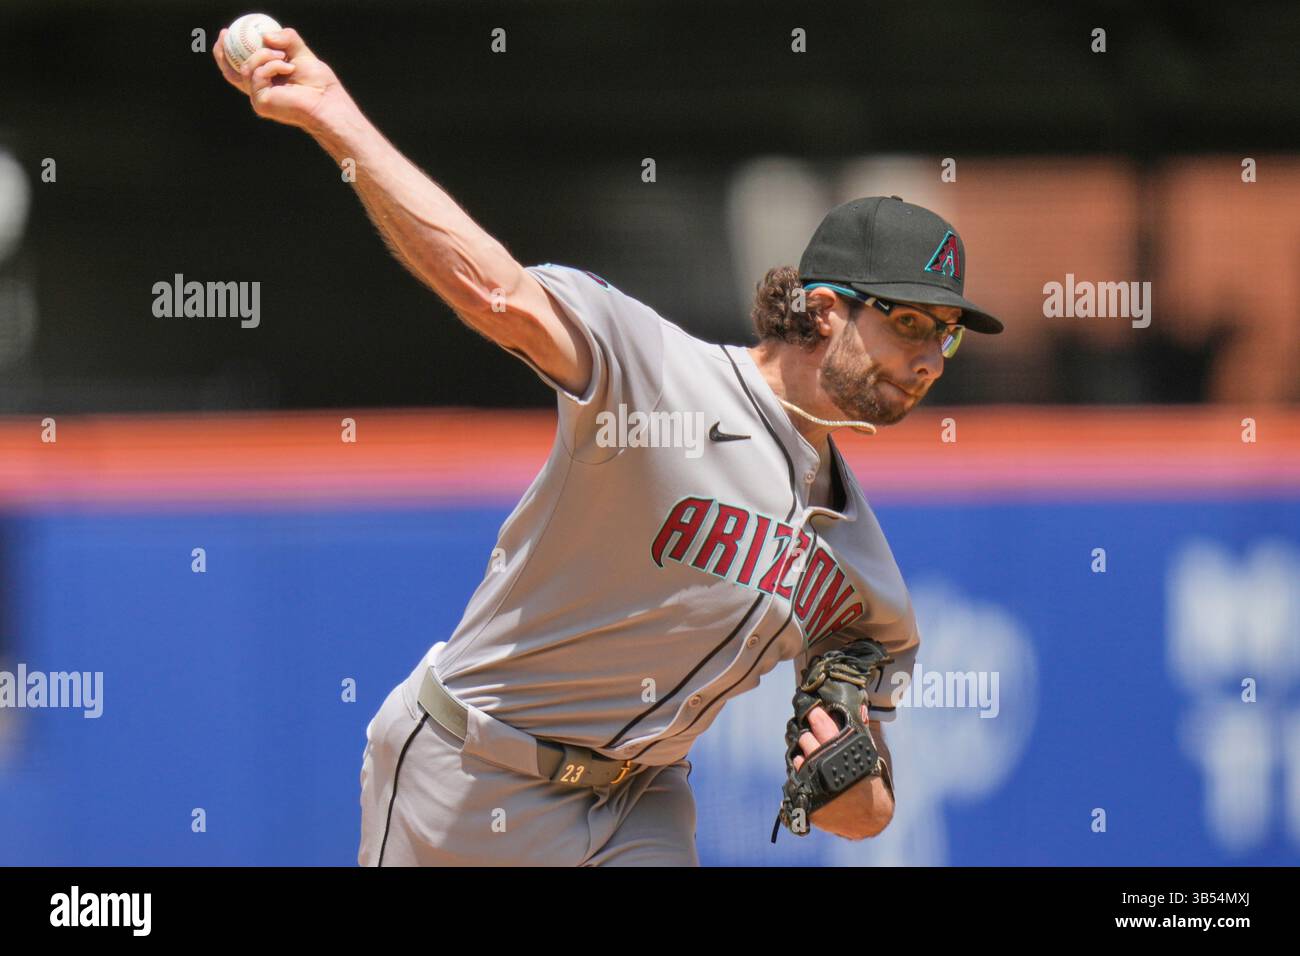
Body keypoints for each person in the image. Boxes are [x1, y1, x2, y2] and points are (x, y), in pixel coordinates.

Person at [213, 25, 1004, 866]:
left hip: (641, 800)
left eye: (946, 335)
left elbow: (864, 816)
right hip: (472, 770)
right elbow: (495, 294)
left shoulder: (864, 577)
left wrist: (854, 784)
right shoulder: (656, 371)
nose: (926, 358)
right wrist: (335, 115)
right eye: (908, 321)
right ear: (820, 308)